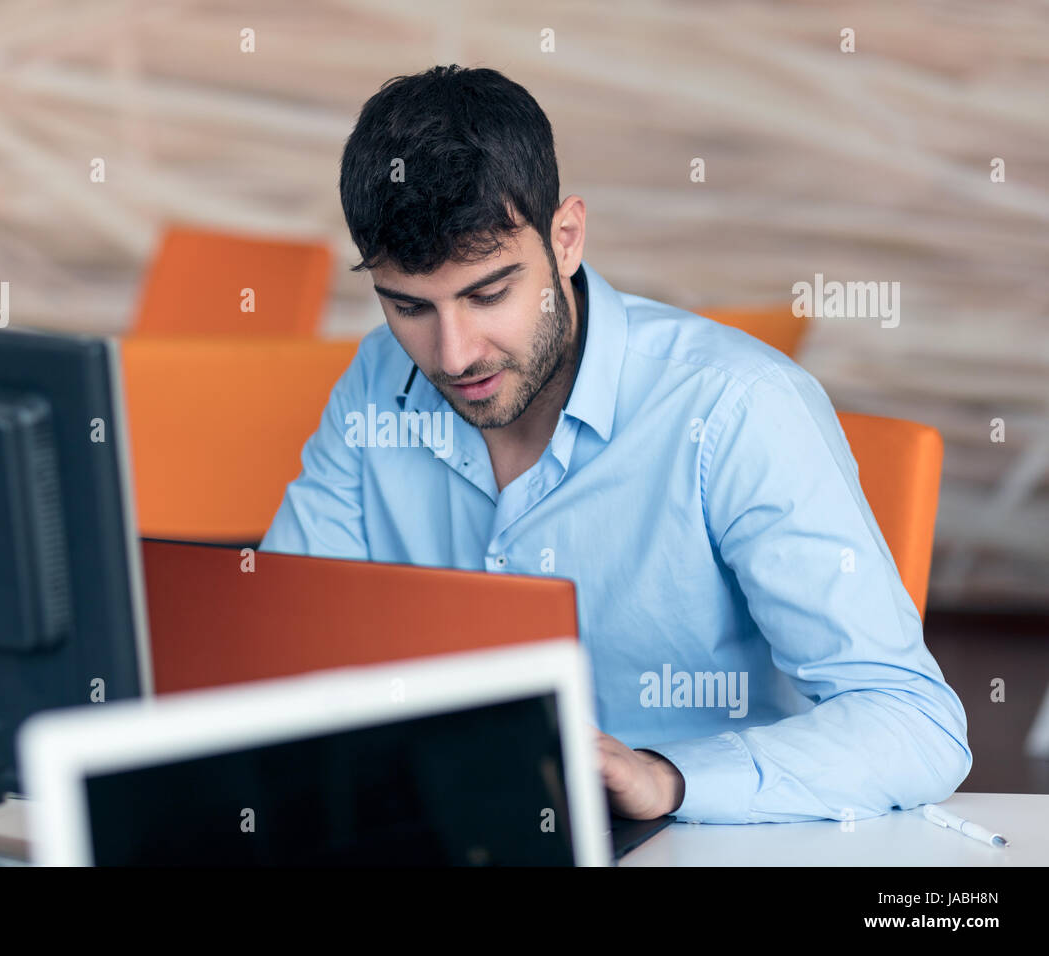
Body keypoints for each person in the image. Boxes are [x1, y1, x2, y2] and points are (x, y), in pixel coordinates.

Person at [260, 64, 971, 824]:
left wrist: (668, 778)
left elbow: (914, 722)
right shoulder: (378, 380)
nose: (455, 353)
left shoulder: (737, 408)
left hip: (698, 838)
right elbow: (278, 650)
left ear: (565, 239)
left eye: (489, 293)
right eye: (408, 307)